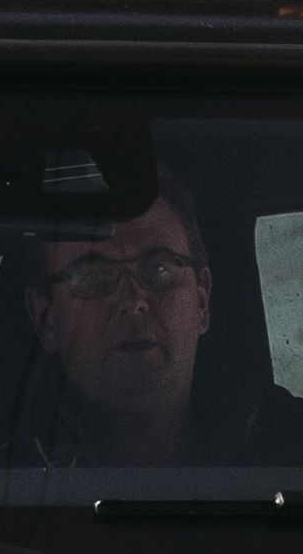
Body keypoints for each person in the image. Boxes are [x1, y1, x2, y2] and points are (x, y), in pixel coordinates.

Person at [19, 183, 222, 468]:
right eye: (92, 276)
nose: (134, 300)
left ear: (202, 300)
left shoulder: (284, 446)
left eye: (160, 269)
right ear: (46, 318)